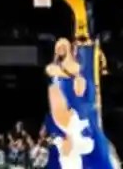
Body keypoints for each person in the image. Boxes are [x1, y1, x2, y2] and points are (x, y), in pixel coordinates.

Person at [44, 38, 110, 169]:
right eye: (58, 48)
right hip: (67, 113)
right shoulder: (54, 69)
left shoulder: (78, 71)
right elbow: (52, 71)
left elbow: (81, 83)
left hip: (75, 109)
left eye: (63, 47)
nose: (60, 50)